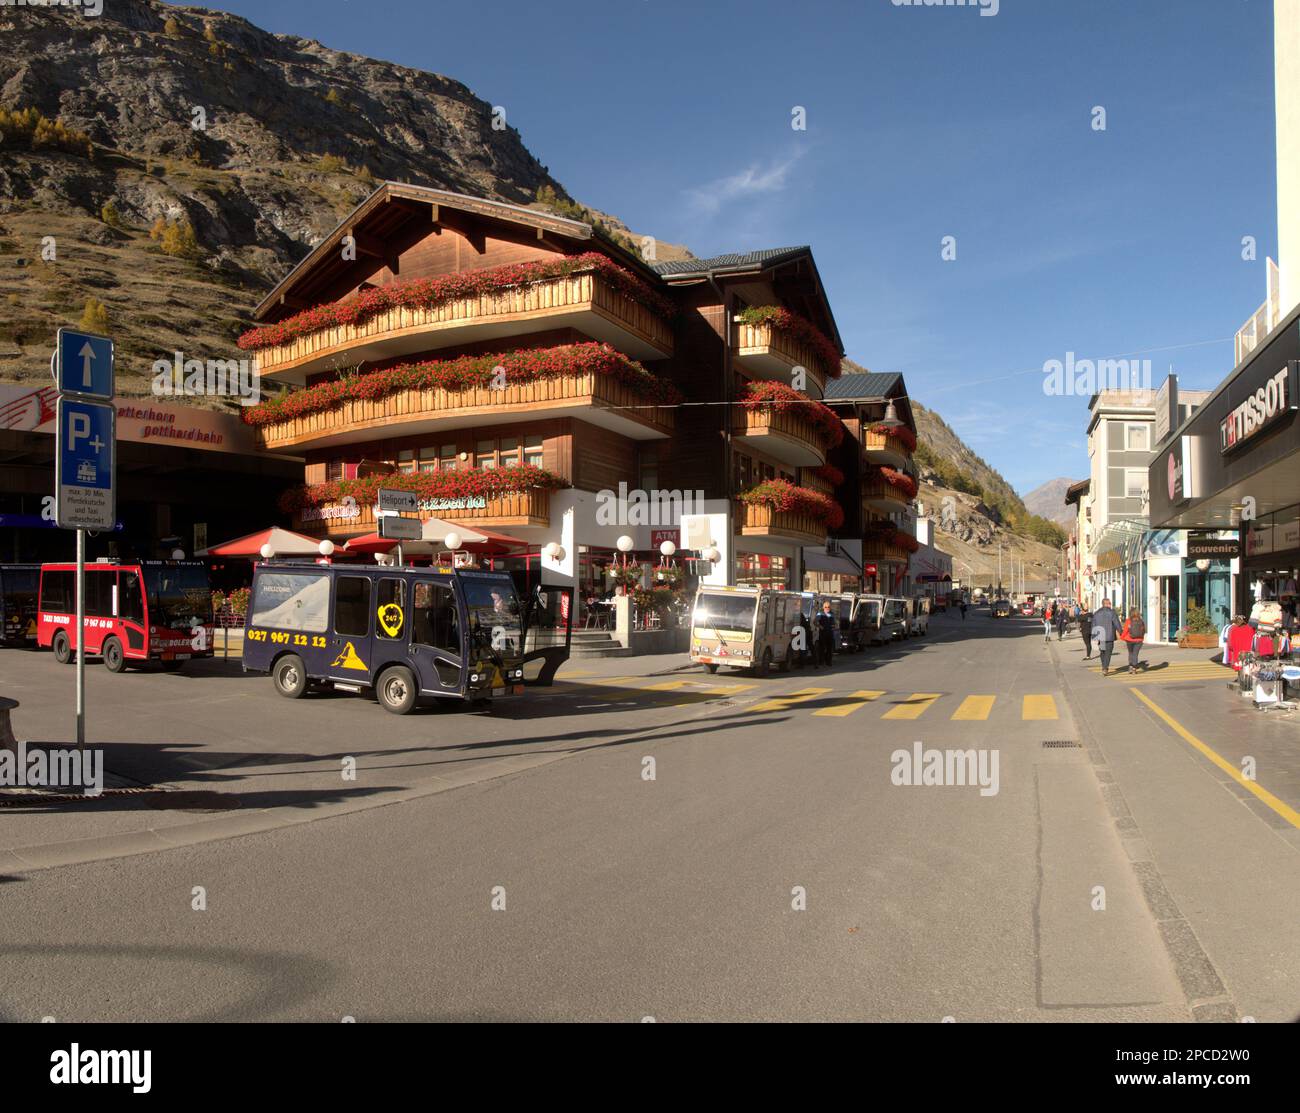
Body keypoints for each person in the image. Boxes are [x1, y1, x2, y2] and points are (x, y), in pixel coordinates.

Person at [1092, 598, 1123, 676]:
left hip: (1100, 636)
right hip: (1109, 636)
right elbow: (1117, 623)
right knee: (1108, 653)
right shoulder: (1112, 613)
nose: (1110, 605)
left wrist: (1094, 637)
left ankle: (1104, 666)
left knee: (1102, 652)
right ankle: (1105, 668)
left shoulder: (1096, 613)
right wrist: (1121, 632)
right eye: (1109, 603)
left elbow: (1093, 625)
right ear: (1106, 604)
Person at [1120, 607, 1146, 673]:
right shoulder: (1141, 621)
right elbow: (1143, 630)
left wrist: (1122, 637)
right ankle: (1134, 668)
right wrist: (1142, 638)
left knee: (1130, 653)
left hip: (1129, 640)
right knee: (1135, 654)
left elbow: (1125, 630)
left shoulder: (1128, 621)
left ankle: (1130, 667)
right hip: (1139, 640)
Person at [815, 600, 836, 668]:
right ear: (823, 607)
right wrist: (820, 626)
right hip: (823, 633)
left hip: (830, 633)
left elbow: (835, 623)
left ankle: (829, 662)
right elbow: (815, 622)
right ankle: (821, 662)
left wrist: (834, 626)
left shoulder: (832, 614)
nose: (827, 608)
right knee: (822, 648)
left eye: (828, 607)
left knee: (830, 648)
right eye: (826, 607)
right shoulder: (820, 613)